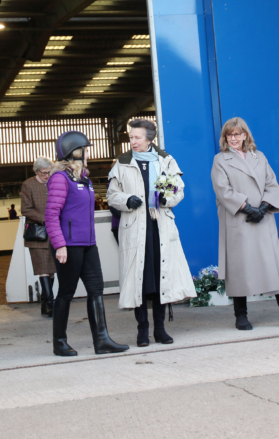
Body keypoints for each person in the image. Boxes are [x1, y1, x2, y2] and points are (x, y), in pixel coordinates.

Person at [107, 119, 196, 347]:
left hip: (160, 226)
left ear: (149, 139)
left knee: (160, 277)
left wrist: (166, 198)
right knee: (140, 280)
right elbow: (112, 195)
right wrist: (127, 199)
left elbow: (177, 188)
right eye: (131, 137)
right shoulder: (123, 162)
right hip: (135, 227)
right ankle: (142, 330)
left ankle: (160, 329)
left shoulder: (165, 161)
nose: (133, 141)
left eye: (137, 137)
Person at [45, 131, 128, 357]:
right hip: (68, 245)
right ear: (74, 152)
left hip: (87, 244)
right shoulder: (59, 179)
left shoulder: (84, 179)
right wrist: (59, 245)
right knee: (66, 292)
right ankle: (59, 342)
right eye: (85, 150)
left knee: (96, 289)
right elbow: (51, 214)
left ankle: (102, 340)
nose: (88, 154)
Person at [211, 117, 279, 331]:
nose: (233, 138)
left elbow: (272, 184)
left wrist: (263, 208)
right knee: (239, 268)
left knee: (274, 265)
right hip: (239, 219)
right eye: (229, 135)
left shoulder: (259, 157)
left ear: (245, 135)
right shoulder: (220, 160)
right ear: (225, 138)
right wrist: (248, 208)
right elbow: (223, 190)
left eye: (237, 134)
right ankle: (241, 316)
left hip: (263, 218)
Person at [21, 157, 56, 317]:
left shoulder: (54, 182)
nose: (47, 176)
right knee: (43, 269)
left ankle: (46, 303)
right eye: (44, 173)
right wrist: (44, 219)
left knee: (52, 269)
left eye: (49, 173)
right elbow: (26, 209)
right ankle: (49, 302)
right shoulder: (28, 185)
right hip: (38, 233)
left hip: (55, 232)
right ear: (36, 171)